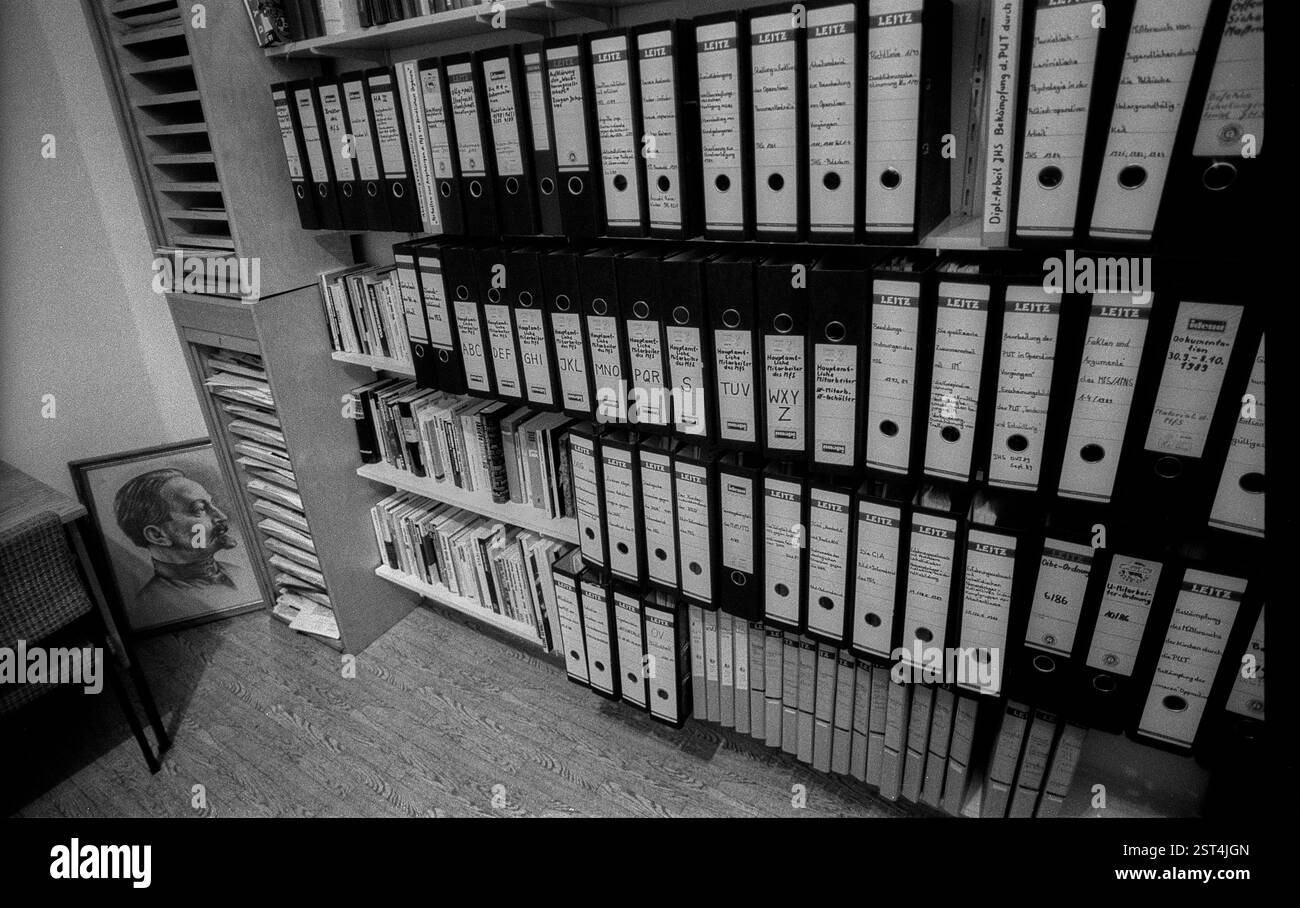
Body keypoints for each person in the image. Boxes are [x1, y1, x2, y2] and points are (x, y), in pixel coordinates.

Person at [113, 468, 254, 626]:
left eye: (212, 504)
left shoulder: (244, 576)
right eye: (199, 509)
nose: (221, 516)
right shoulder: (155, 607)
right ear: (157, 535)